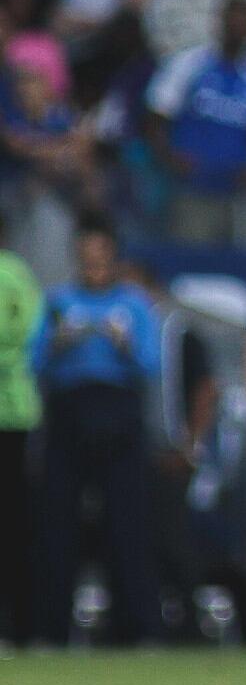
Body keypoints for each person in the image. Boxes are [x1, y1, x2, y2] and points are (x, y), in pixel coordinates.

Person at [33, 215, 162, 646]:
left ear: (114, 259)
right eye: (86, 261)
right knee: (58, 525)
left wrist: (122, 343)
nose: (94, 269)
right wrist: (59, 342)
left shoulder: (134, 303)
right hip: (70, 411)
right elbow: (35, 363)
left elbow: (150, 364)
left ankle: (137, 631)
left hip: (118, 411)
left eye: (101, 260)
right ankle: (51, 631)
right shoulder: (57, 301)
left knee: (128, 525)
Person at [146, 0, 246, 245]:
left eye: (243, 21)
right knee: (190, 256)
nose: (237, 26)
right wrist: (170, 158)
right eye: (232, 18)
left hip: (239, 190)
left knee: (241, 261)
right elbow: (155, 118)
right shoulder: (187, 65)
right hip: (193, 186)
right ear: (219, 21)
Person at [0, 211, 43, 647]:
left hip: (10, 414)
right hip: (15, 415)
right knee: (14, 524)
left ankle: (18, 625)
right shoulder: (22, 277)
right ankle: (22, 626)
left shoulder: (11, 275)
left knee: (12, 523)